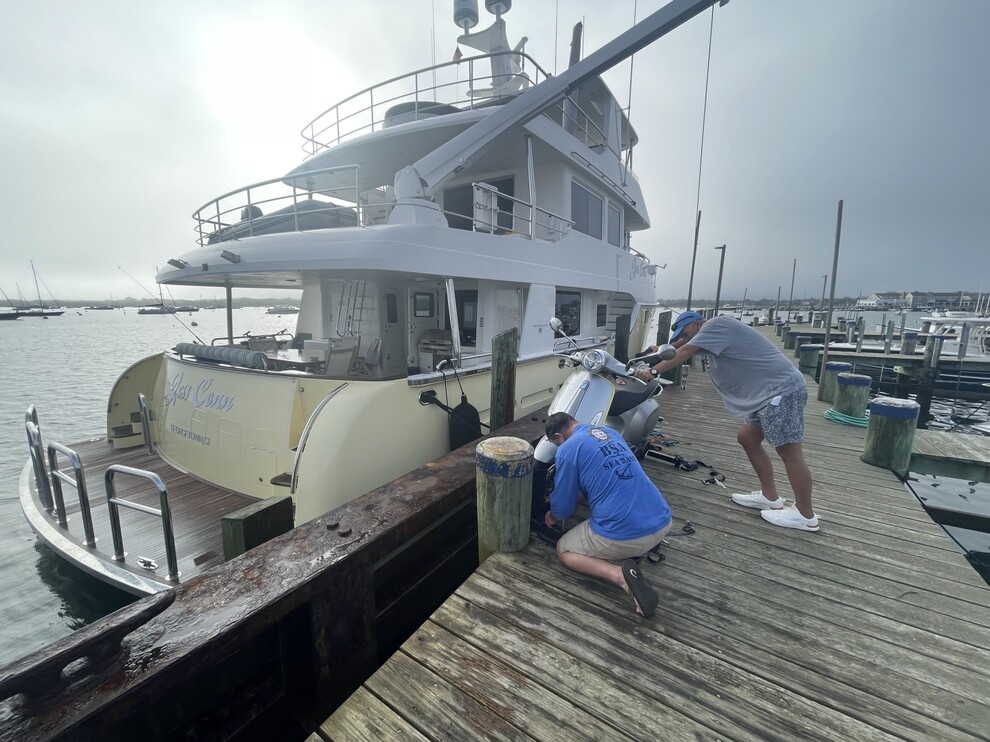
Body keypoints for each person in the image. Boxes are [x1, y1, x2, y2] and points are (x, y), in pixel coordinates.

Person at [635, 310, 819, 532]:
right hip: (764, 395)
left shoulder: (717, 325)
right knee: (748, 439)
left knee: (789, 452)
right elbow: (682, 345)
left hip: (782, 390)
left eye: (685, 332)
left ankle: (805, 515)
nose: (685, 337)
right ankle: (770, 498)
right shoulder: (707, 335)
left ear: (697, 324)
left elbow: (686, 349)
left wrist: (653, 371)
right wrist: (659, 350)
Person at [543, 412, 672, 618]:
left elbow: (563, 507)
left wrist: (553, 514)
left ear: (558, 436)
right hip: (662, 521)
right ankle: (629, 551)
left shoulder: (566, 449)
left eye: (557, 443)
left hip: (628, 535)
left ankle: (620, 576)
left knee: (564, 550)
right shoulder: (609, 433)